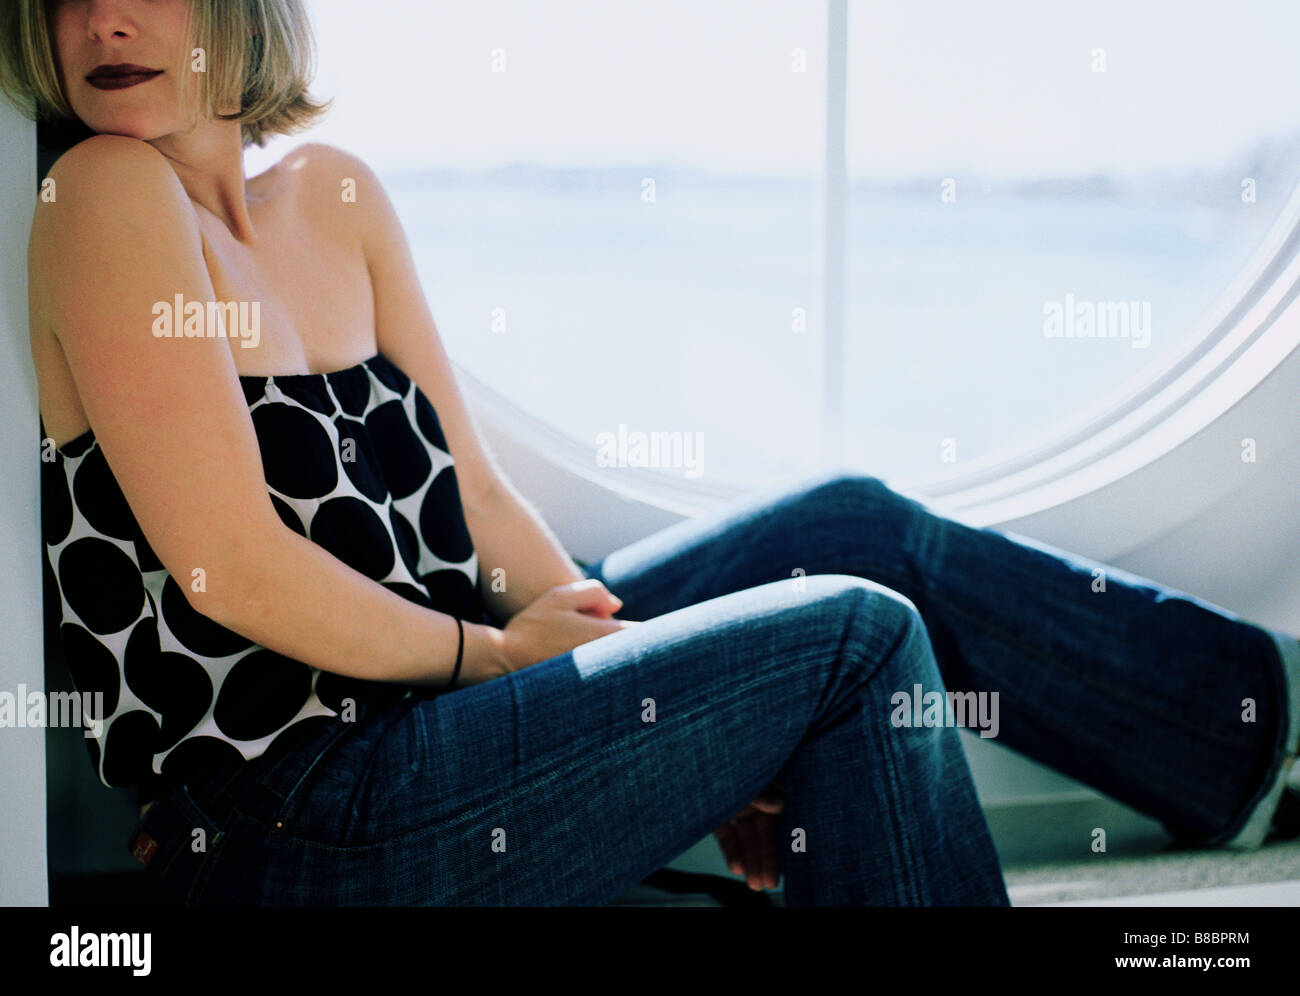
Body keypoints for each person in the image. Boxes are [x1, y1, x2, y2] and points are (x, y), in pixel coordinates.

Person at [5, 0, 1298, 907]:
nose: (102, 21)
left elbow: (477, 494)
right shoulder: (102, 196)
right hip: (303, 806)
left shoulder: (333, 196)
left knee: (850, 526)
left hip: (455, 707)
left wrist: (661, 699)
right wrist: (518, 664)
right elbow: (231, 567)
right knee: (856, 639)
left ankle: (1264, 735)